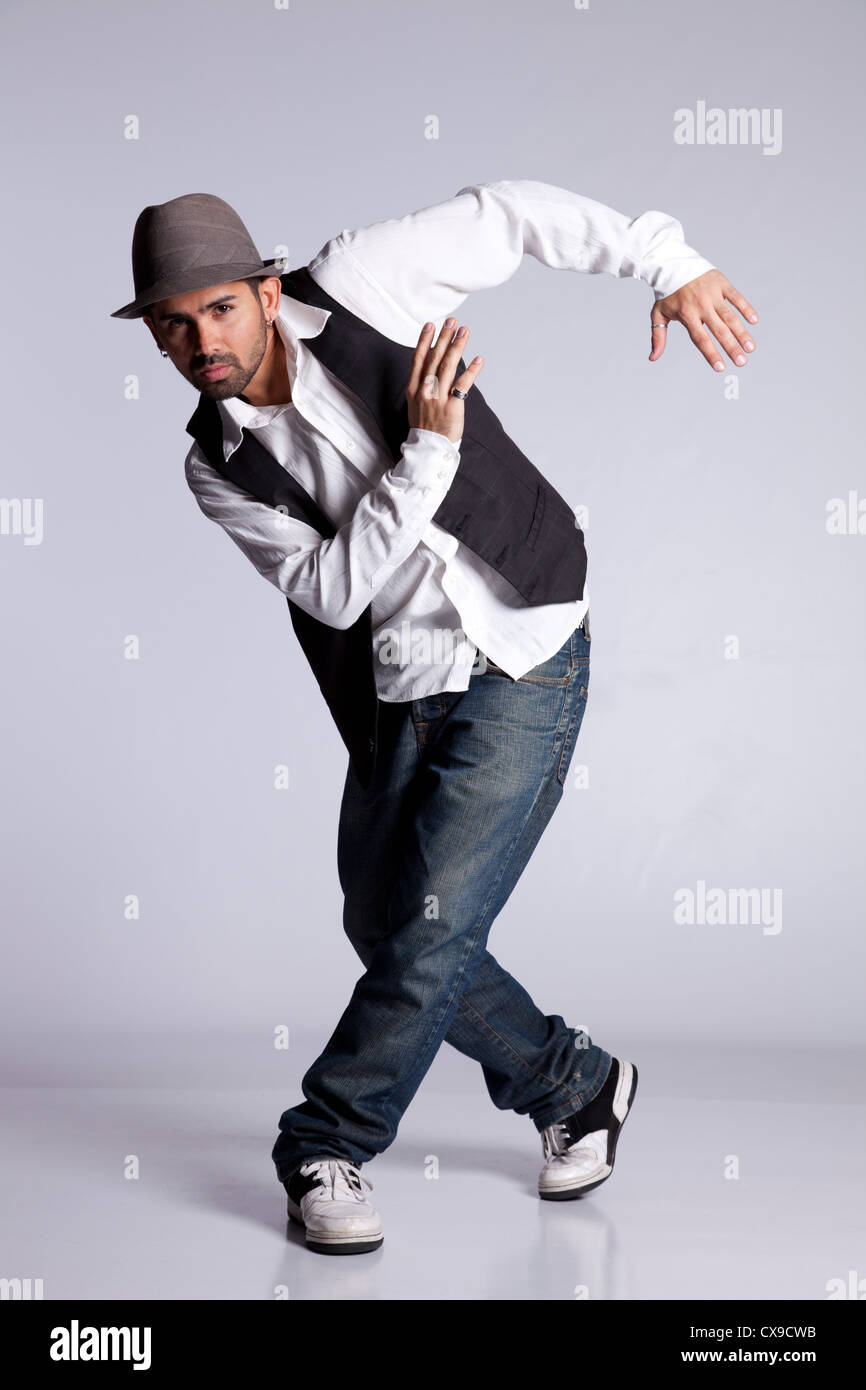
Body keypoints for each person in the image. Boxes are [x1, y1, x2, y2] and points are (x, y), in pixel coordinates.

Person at [111, 180, 757, 1256]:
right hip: (397, 685)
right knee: (387, 923)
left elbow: (506, 211)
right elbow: (331, 589)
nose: (197, 339)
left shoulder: (364, 278)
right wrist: (428, 453)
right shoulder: (214, 466)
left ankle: (327, 1139)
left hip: (523, 638)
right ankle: (576, 1083)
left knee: (427, 926)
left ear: (266, 291)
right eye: (171, 325)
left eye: (216, 307)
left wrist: (666, 260)